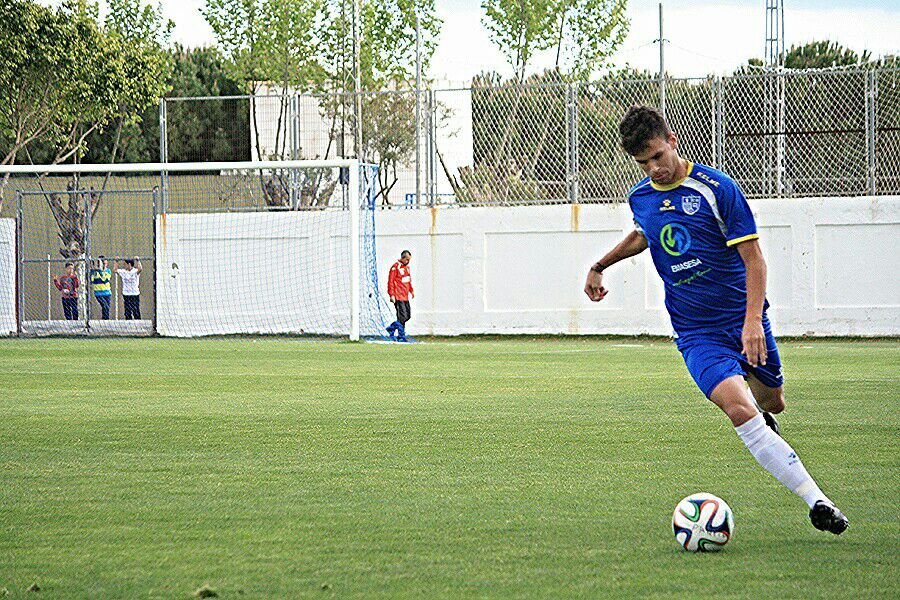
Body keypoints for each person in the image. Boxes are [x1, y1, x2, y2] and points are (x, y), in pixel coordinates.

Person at [584, 106, 848, 535]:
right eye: (644, 163)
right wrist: (600, 265)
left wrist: (750, 323)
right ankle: (817, 500)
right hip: (696, 333)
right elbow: (645, 234)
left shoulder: (717, 188)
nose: (655, 168)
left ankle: (768, 421)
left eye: (657, 155)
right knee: (739, 408)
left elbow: (754, 259)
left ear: (671, 139)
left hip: (743, 320)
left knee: (772, 402)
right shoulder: (642, 197)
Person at [386, 250, 414, 342]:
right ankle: (401, 336)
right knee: (401, 317)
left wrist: (411, 291)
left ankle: (392, 327)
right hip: (398, 296)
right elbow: (390, 281)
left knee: (407, 316)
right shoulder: (395, 267)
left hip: (405, 296)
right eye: (407, 259)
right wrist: (392, 295)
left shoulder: (407, 268)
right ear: (403, 258)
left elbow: (408, 280)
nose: (408, 261)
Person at [89, 255, 112, 320]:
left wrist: (101, 272)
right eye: (103, 263)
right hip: (98, 293)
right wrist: (92, 273)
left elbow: (105, 280)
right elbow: (91, 281)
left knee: (107, 307)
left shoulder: (108, 271)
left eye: (105, 263)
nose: (105, 265)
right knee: (105, 306)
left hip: (107, 292)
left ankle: (105, 320)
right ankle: (105, 319)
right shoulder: (95, 271)